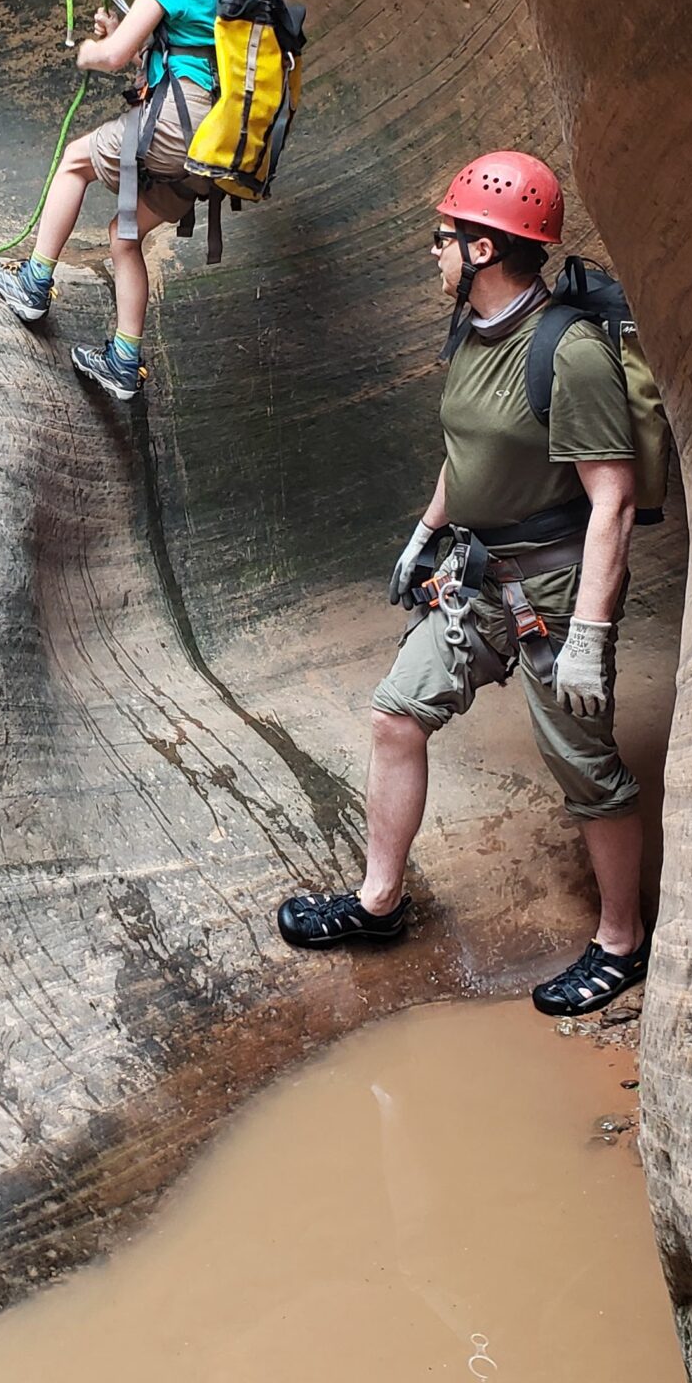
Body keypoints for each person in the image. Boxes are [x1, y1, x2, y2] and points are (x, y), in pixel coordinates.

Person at [275, 150, 649, 1018]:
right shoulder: (472, 332)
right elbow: (468, 449)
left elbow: (614, 500)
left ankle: (622, 942)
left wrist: (589, 638)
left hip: (553, 593)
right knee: (396, 714)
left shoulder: (572, 353)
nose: (432, 251)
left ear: (484, 250)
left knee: (585, 768)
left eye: (443, 238)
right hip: (475, 575)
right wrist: (427, 530)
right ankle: (378, 904)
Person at [0, 0, 253, 403]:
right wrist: (126, 28)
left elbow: (114, 57)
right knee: (124, 236)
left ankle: (33, 284)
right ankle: (124, 360)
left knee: (75, 163)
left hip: (178, 125)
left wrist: (88, 50)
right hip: (217, 150)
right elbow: (192, 43)